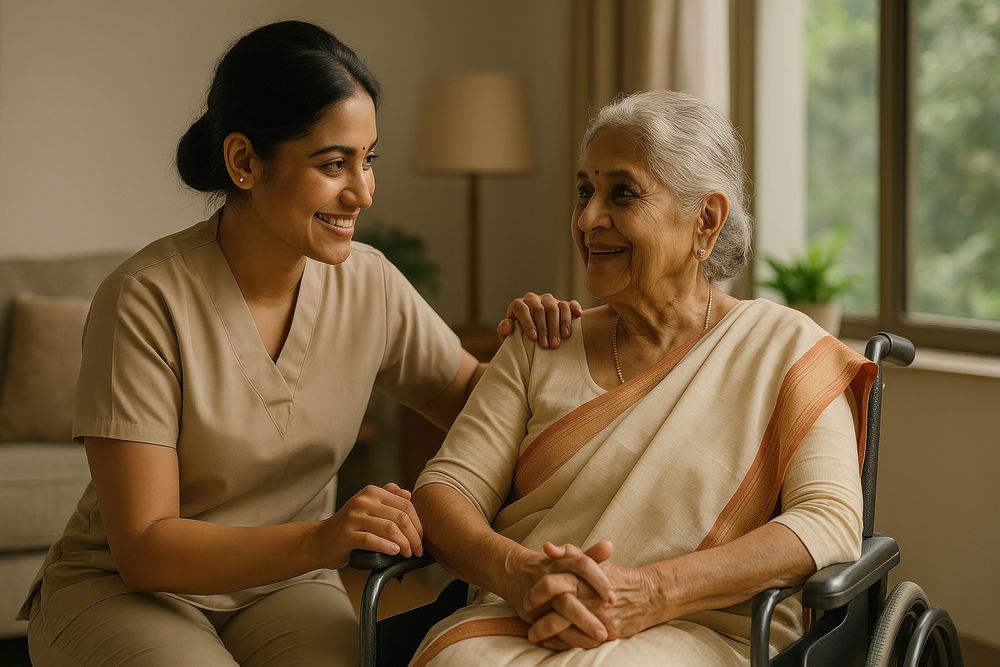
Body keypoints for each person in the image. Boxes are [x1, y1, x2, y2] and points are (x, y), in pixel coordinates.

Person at [19, 20, 577, 667]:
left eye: (369, 160)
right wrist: (322, 540)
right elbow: (144, 548)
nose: (363, 192)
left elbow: (484, 412)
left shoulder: (369, 283)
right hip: (125, 589)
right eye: (333, 164)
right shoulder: (143, 299)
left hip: (283, 589)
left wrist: (533, 351)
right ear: (243, 162)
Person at [410, 90, 878, 666]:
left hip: (705, 628)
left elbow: (828, 520)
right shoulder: (540, 342)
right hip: (521, 615)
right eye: (585, 192)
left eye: (622, 193)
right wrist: (520, 573)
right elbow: (446, 489)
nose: (587, 219)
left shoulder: (785, 348)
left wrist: (652, 592)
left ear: (705, 221)